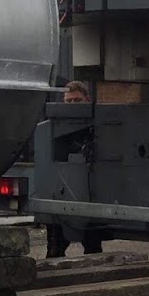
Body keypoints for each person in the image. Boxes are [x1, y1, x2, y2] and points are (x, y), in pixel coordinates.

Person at [45, 80, 106, 256]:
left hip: (91, 191)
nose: (72, 105)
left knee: (92, 246)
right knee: (55, 248)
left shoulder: (98, 124)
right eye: (69, 101)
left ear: (87, 99)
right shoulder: (55, 126)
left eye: (77, 100)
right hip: (62, 190)